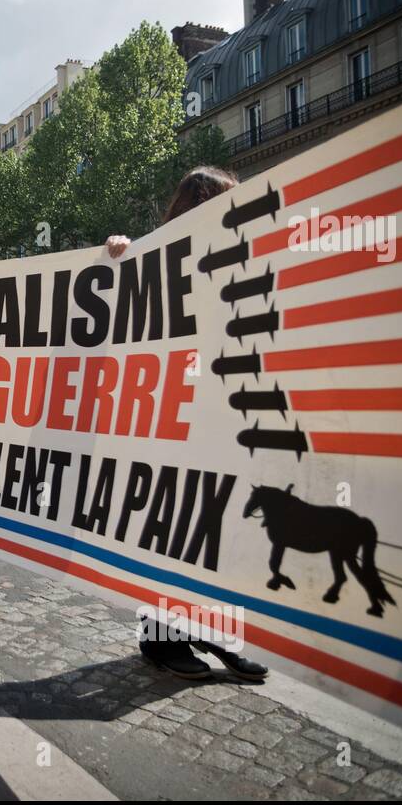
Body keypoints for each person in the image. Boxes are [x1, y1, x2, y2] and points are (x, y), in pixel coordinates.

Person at [107, 167, 265, 682]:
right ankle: (162, 638)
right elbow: (118, 304)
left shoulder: (244, 254)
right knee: (173, 528)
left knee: (223, 531)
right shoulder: (157, 256)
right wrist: (116, 256)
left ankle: (218, 633)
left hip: (226, 413)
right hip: (172, 415)